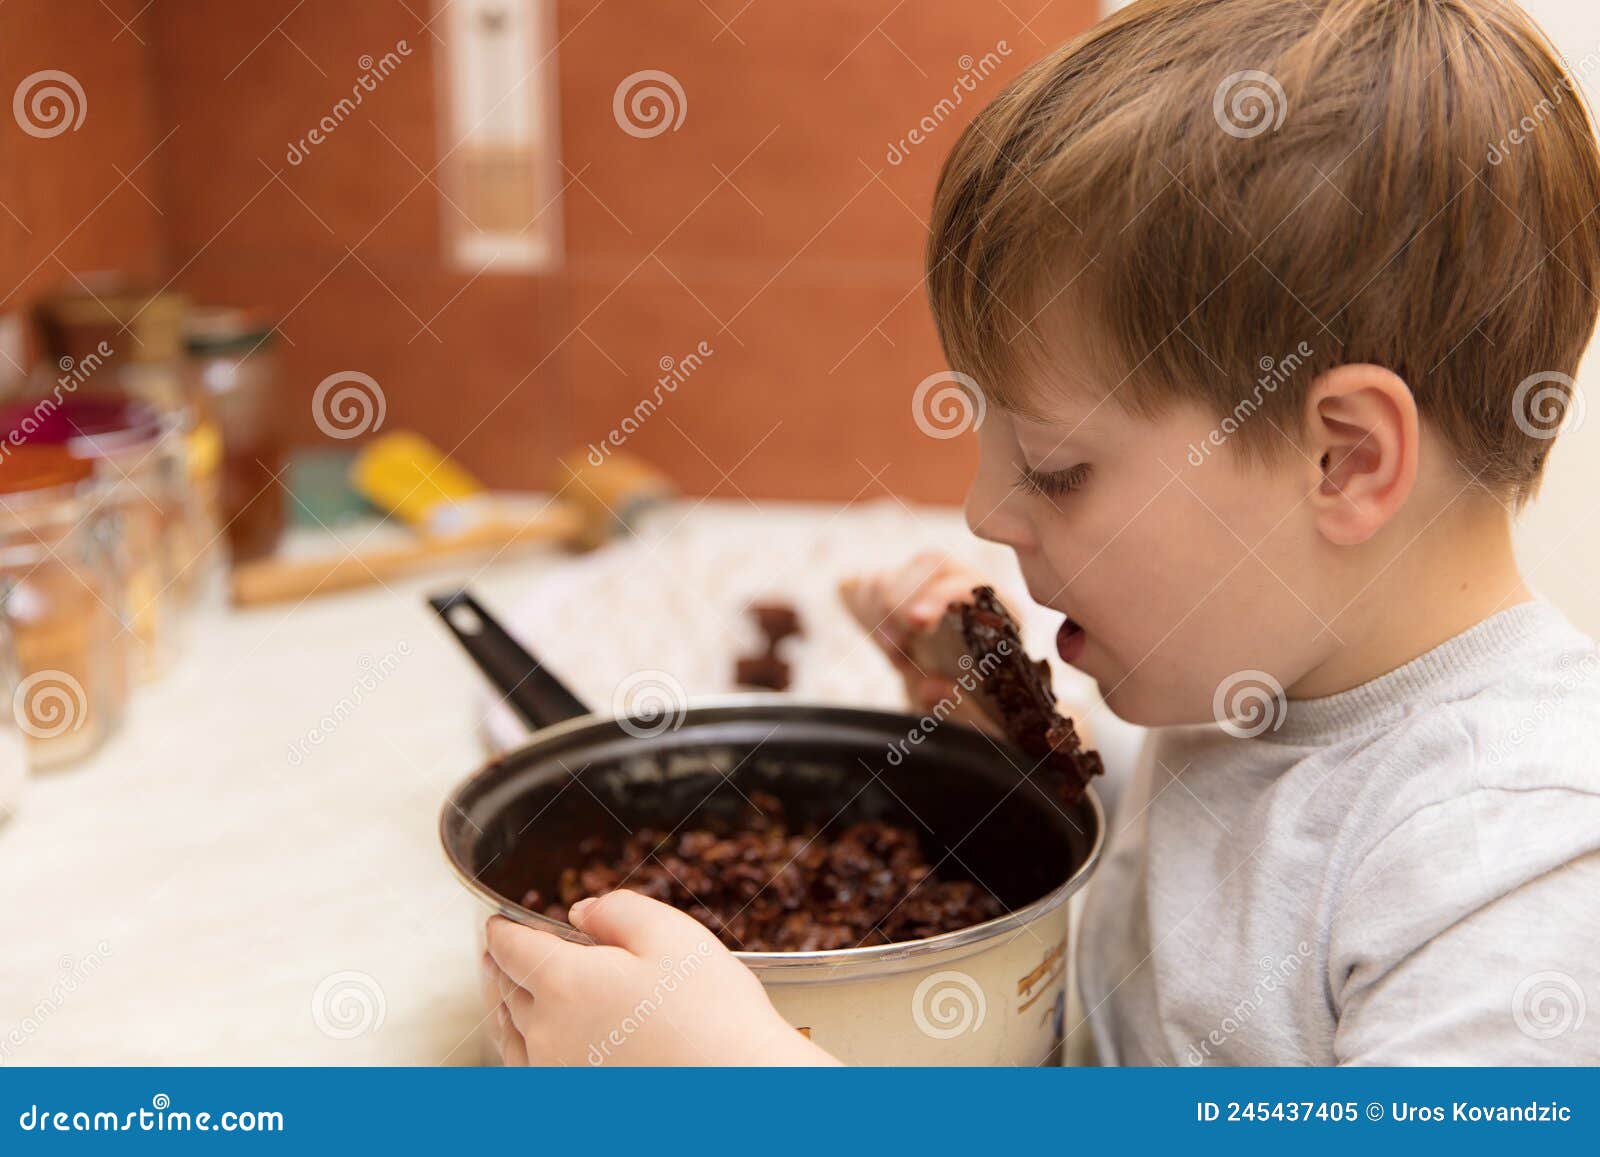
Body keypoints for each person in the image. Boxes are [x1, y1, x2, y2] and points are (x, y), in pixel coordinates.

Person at [481, 0, 1600, 1064]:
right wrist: (1018, 753)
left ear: (1342, 459)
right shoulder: (1264, 678)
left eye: (1057, 469)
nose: (984, 511)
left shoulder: (1520, 865)